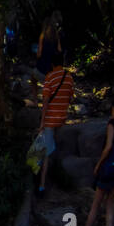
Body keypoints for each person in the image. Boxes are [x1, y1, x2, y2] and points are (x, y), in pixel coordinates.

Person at [74, 98, 114, 226]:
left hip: (108, 168)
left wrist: (98, 165)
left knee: (96, 203)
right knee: (110, 202)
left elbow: (107, 147)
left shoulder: (112, 124)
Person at [35, 51, 74, 196]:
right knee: (54, 149)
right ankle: (57, 175)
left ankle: (42, 185)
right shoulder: (68, 77)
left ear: (52, 64)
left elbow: (45, 102)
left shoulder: (49, 77)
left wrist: (42, 122)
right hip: (62, 119)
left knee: (44, 154)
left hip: (50, 120)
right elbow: (70, 97)